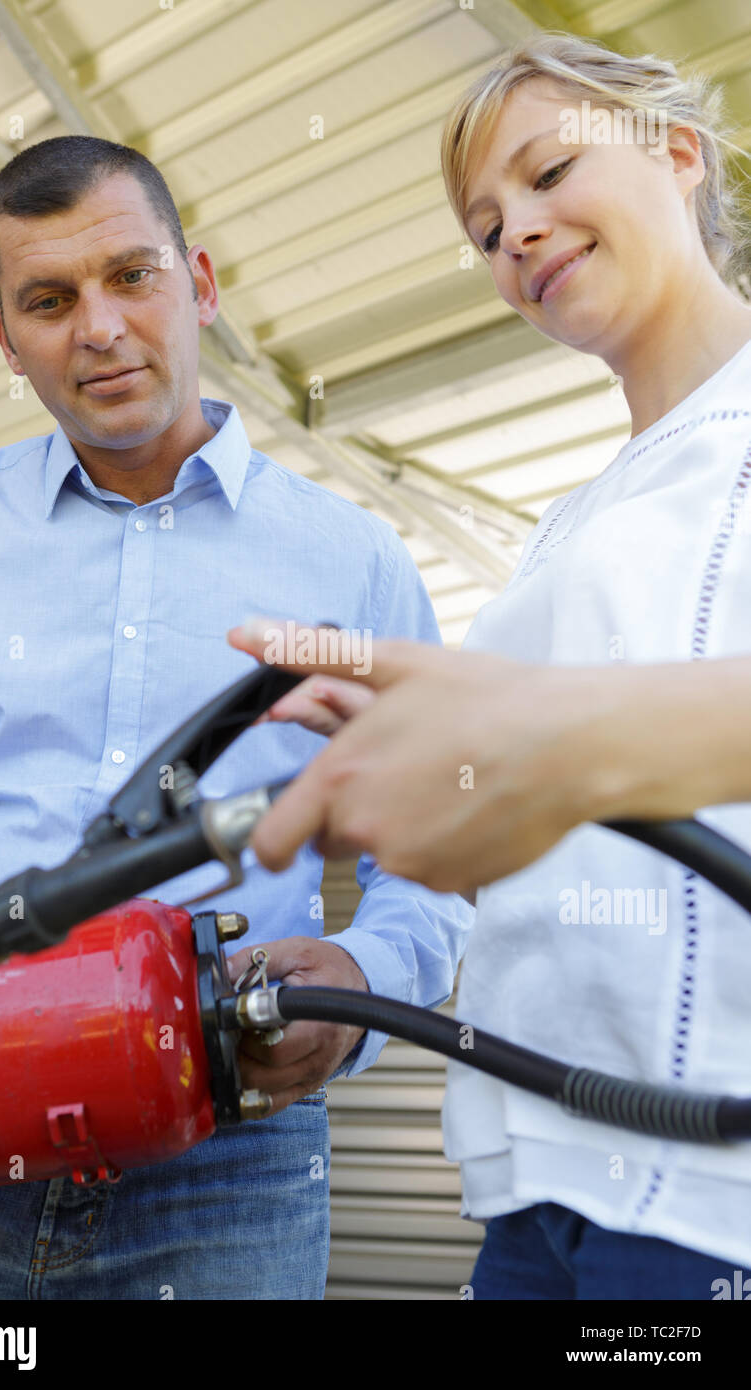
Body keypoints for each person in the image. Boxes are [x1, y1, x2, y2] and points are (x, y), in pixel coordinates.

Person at [0, 135, 471, 1300]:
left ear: (197, 283)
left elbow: (441, 847)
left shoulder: (349, 557)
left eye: (131, 277)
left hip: (230, 1151)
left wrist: (356, 978)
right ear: (6, 337)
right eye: (48, 300)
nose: (96, 328)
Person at [227, 33, 751, 1300]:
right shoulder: (563, 529)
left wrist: (559, 737)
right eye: (482, 227)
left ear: (675, 152)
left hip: (708, 1195)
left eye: (550, 168)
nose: (513, 230)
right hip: (541, 1173)